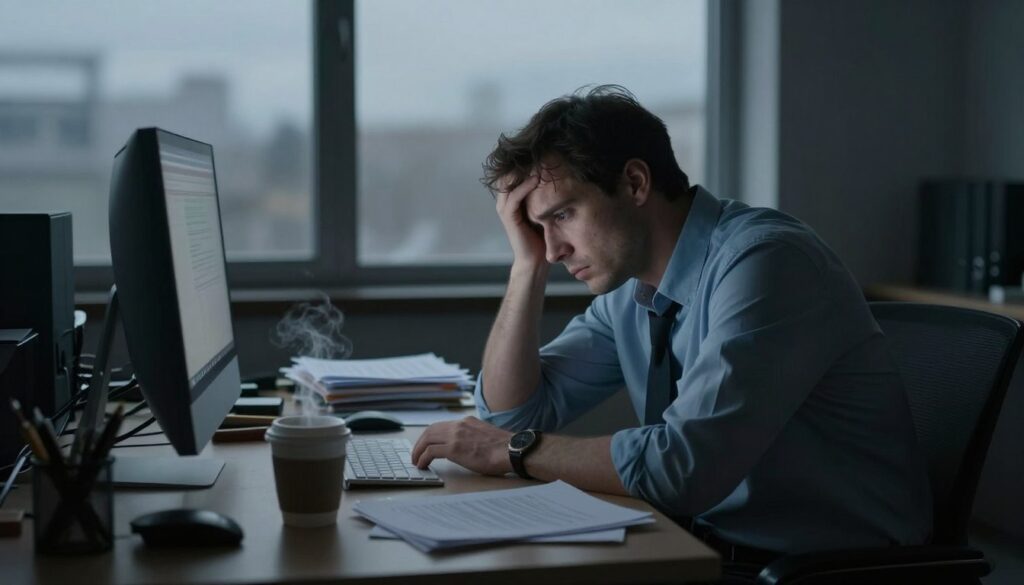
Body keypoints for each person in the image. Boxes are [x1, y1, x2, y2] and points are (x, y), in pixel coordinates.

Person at [410, 85, 931, 580]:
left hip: (815, 570)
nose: (554, 248)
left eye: (563, 215)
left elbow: (682, 468)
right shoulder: (628, 289)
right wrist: (526, 268)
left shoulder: (766, 263)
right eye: (537, 229)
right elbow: (511, 413)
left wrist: (514, 451)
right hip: (700, 546)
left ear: (635, 183)